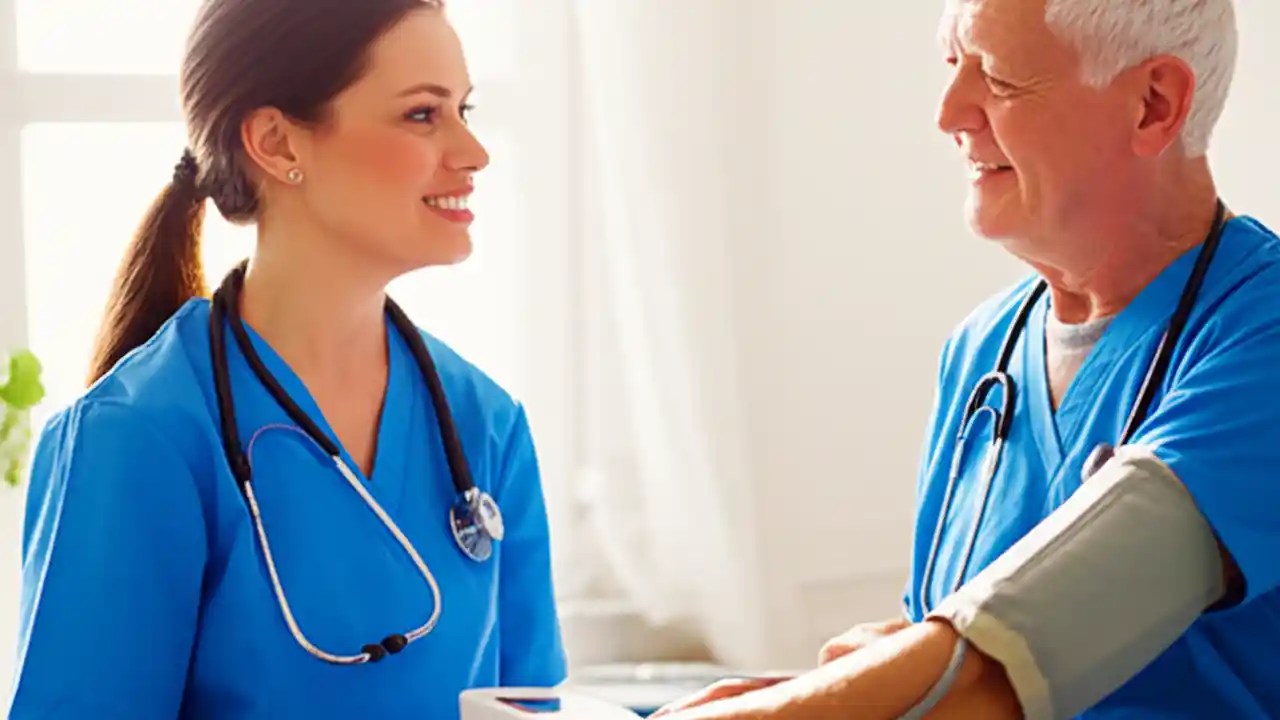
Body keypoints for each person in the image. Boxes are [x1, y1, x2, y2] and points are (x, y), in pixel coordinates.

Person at [656, 0, 1280, 717]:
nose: (948, 113)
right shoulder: (983, 350)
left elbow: (1003, 660)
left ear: (1153, 105)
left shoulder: (1259, 330)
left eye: (1001, 78)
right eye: (954, 65)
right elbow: (950, 653)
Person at [9, 1, 565, 717]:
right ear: (277, 143)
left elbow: (531, 704)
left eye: (465, 109)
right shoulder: (137, 435)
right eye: (423, 115)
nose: (474, 151)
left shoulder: (485, 424)